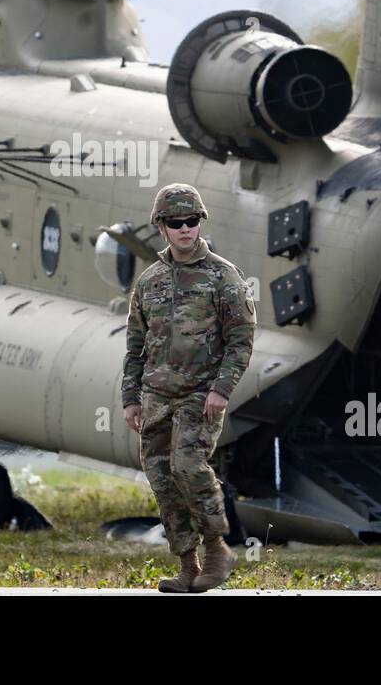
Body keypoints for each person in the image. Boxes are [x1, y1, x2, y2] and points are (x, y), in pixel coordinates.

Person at [120, 183, 256, 592]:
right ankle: (187, 565)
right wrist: (130, 399)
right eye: (176, 222)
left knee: (187, 466)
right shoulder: (149, 282)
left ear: (200, 223)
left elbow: (241, 339)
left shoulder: (222, 276)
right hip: (157, 395)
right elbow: (134, 346)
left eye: (191, 221)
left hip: (201, 395)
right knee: (161, 476)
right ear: (162, 227)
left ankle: (217, 551)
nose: (185, 229)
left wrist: (221, 389)